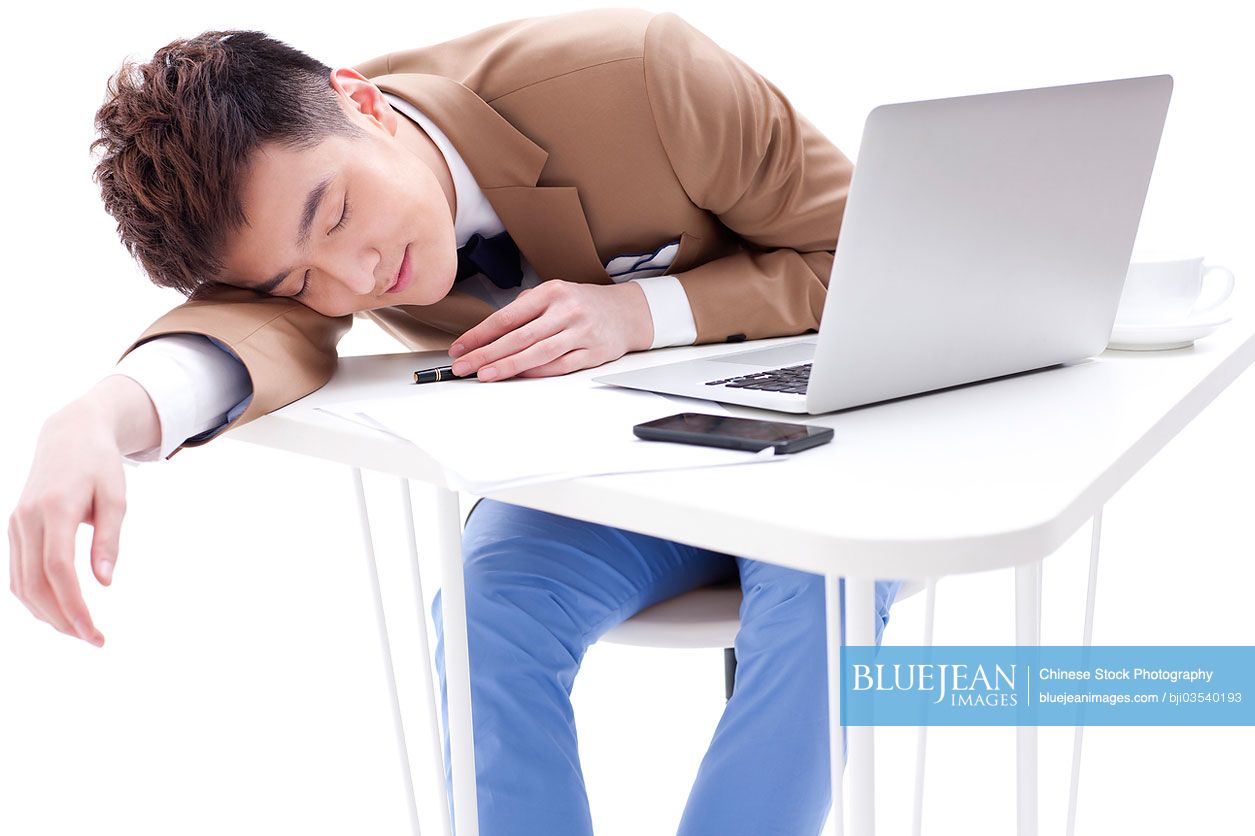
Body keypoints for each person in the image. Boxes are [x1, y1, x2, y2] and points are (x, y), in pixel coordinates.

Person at [7, 9, 901, 835]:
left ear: (360, 102)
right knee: (485, 610)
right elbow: (247, 335)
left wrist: (644, 313)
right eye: (300, 280)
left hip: (811, 449)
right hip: (608, 479)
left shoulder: (644, 77)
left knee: (819, 599)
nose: (353, 281)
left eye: (340, 213)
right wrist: (91, 418)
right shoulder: (295, 239)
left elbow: (876, 252)